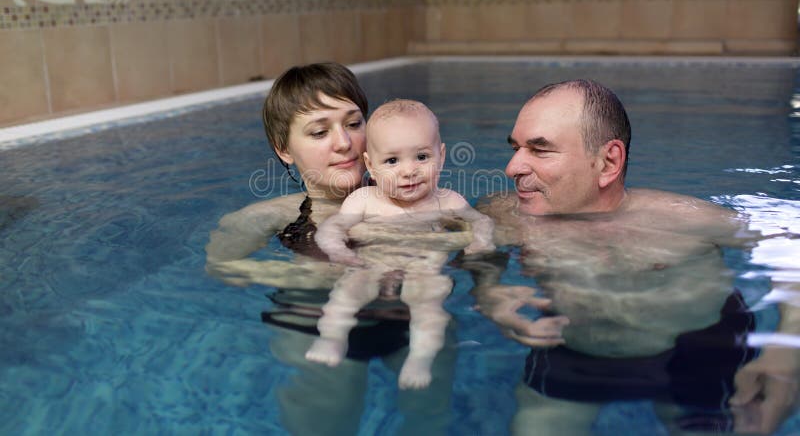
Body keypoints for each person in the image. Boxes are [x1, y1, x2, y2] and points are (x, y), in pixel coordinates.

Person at [470, 79, 800, 434]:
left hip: (698, 349)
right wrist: (487, 291)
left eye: (540, 150)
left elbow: (791, 246)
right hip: (576, 345)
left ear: (608, 162)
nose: (512, 167)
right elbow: (477, 250)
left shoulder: (681, 220)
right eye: (516, 148)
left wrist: (785, 350)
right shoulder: (506, 215)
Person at [205, 63, 472, 435]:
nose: (344, 142)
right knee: (329, 416)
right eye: (319, 131)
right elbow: (220, 264)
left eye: (353, 123)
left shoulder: (434, 204)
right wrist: (299, 274)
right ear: (284, 149)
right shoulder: (272, 215)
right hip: (313, 324)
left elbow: (483, 250)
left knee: (430, 418)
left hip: (414, 320)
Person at [306, 100, 495, 389]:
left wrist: (478, 244)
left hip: (425, 268)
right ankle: (332, 338)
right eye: (392, 161)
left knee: (429, 306)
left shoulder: (449, 201)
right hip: (370, 264)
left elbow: (481, 221)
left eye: (421, 157)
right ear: (371, 165)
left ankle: (420, 357)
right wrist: (338, 251)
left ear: (441, 157)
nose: (409, 171)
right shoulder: (363, 200)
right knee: (344, 296)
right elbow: (332, 228)